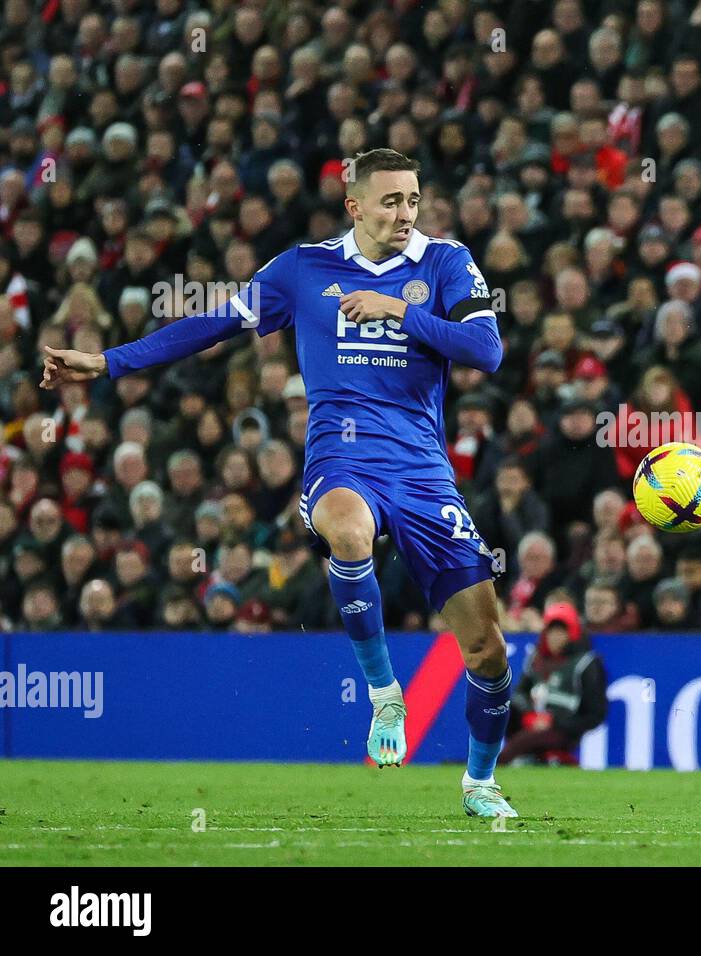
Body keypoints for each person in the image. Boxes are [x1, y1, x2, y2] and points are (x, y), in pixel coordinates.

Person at [40, 149, 519, 818]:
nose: (405, 213)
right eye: (390, 201)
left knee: (487, 650)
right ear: (354, 206)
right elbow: (212, 324)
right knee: (347, 531)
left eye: (412, 200)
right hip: (342, 459)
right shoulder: (302, 268)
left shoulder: (444, 262)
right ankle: (385, 695)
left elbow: (487, 351)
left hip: (422, 470)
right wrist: (108, 361)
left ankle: (480, 782)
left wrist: (400, 312)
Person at [501, 601, 608, 764]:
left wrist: (555, 722)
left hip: (563, 727)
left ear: (572, 634)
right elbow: (520, 693)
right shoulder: (536, 660)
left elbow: (595, 712)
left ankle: (495, 764)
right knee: (501, 711)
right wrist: (530, 714)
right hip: (532, 720)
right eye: (551, 632)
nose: (555, 638)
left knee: (527, 739)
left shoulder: (586, 664)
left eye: (561, 633)